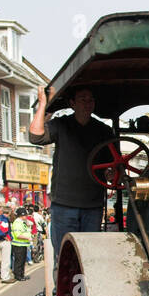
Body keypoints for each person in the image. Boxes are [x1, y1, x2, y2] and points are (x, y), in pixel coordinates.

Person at [28, 85, 112, 279]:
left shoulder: (104, 131)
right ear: (72, 103)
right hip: (64, 205)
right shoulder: (61, 125)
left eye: (90, 99)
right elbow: (35, 136)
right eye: (82, 98)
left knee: (89, 257)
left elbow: (113, 165)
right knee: (65, 257)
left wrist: (111, 173)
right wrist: (43, 104)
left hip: (93, 204)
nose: (87, 103)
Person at [10, 206, 33, 281]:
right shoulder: (17, 223)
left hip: (23, 244)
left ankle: (22, 274)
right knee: (19, 261)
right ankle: (18, 276)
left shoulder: (22, 222)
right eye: (25, 215)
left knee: (23, 261)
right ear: (21, 215)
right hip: (18, 245)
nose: (26, 216)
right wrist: (27, 238)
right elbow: (18, 235)